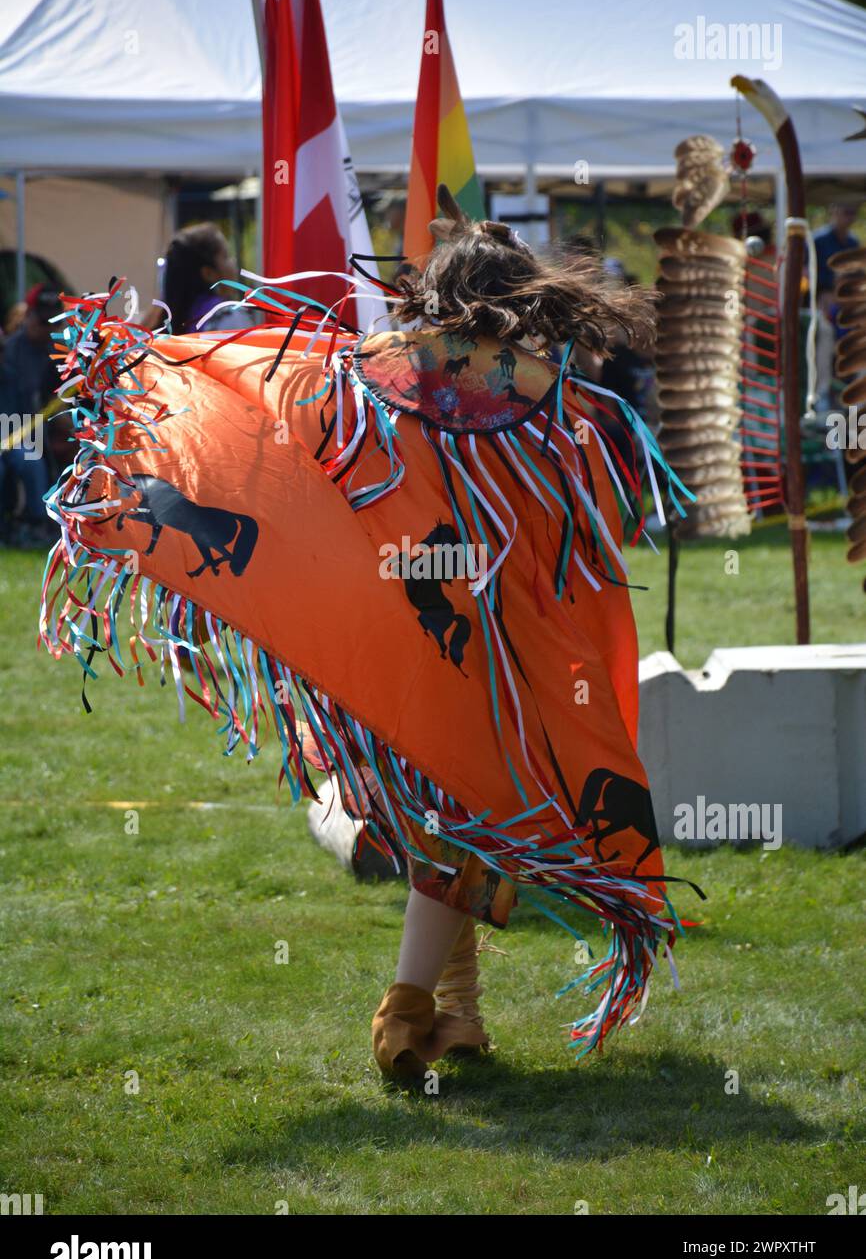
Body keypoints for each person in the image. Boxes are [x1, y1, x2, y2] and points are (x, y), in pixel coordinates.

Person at [42, 187, 696, 1082]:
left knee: (460, 824)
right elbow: (581, 543)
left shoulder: (372, 373)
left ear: (438, 291)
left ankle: (452, 1013)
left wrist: (160, 362)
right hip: (499, 661)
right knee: (468, 818)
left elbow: (271, 397)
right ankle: (408, 1009)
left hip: (402, 642)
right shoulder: (554, 407)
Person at [0, 283, 57, 545]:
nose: (46, 328)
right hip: (10, 430)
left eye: (52, 323)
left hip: (33, 431)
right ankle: (19, 525)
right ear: (29, 316)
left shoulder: (57, 352)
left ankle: (43, 524)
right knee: (26, 459)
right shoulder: (10, 351)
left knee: (33, 457)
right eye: (42, 321)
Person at [141, 222, 239, 335]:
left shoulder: (157, 324)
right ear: (208, 273)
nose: (233, 262)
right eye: (226, 256)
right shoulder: (227, 318)